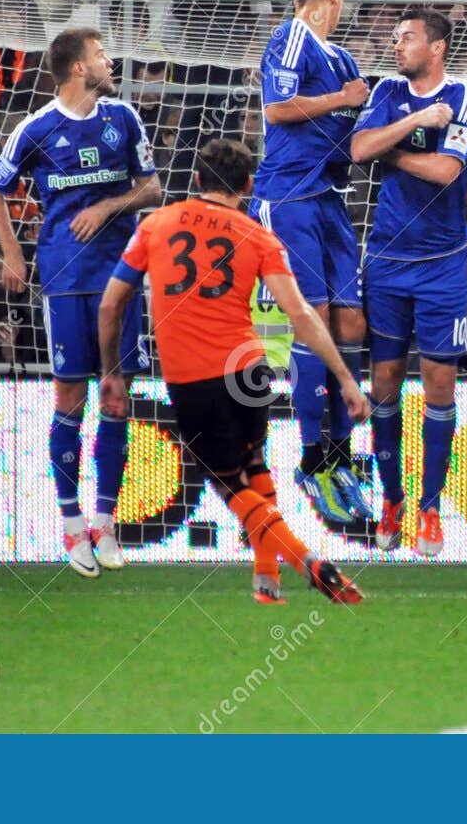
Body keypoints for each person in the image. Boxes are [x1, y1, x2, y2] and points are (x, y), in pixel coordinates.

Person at [99, 138, 367, 606]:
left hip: (193, 378)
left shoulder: (155, 226)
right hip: (248, 371)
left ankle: (310, 563)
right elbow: (301, 313)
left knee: (228, 482)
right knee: (254, 465)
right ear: (248, 185)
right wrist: (344, 378)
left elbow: (110, 303)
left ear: (197, 179)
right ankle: (267, 582)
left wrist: (112, 371)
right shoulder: (259, 236)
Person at [0, 27, 163, 578]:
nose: (110, 60)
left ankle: (106, 521)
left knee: (116, 395)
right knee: (69, 396)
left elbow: (153, 189)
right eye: (102, 54)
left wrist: (110, 206)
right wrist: (12, 255)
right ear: (79, 68)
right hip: (64, 277)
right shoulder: (35, 128)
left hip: (121, 277)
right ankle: (70, 522)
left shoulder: (124, 118)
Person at [348, 10, 467, 558]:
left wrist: (391, 152)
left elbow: (448, 171)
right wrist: (416, 122)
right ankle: (392, 500)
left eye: (408, 37)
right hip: (384, 260)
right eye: (396, 37)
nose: (397, 45)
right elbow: (358, 151)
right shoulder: (386, 91)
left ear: (438, 46)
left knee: (439, 384)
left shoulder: (465, 94)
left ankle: (430, 509)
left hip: (443, 263)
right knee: (383, 382)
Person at [250, 0, 373, 527]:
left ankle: (341, 455)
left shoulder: (341, 56)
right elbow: (277, 110)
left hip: (328, 196)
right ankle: (311, 456)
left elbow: (355, 135)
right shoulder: (290, 36)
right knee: (314, 318)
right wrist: (341, 98)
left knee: (351, 324)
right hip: (289, 195)